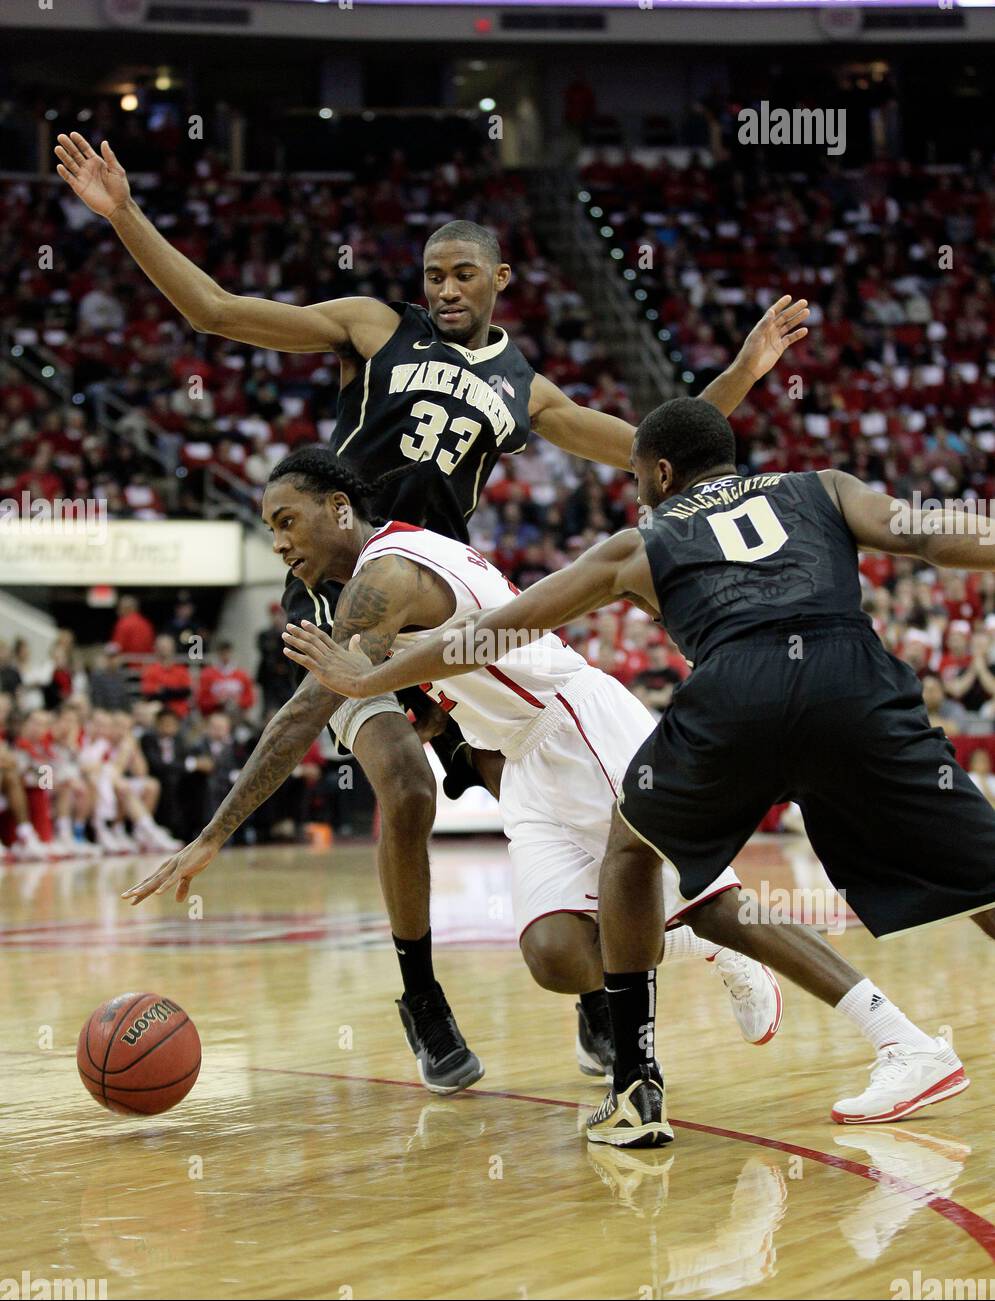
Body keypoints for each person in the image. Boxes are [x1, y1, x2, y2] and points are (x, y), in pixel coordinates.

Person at [60, 129, 807, 1092]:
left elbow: (659, 453)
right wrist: (125, 214)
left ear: (499, 277)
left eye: (461, 274)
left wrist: (742, 372)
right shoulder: (373, 327)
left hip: (445, 597)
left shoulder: (522, 385)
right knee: (405, 790)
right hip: (346, 594)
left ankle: (603, 981)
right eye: (431, 275)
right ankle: (420, 994)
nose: (443, 289)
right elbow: (214, 312)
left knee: (528, 781)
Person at [304, 397, 995, 1144]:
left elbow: (492, 632)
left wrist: (373, 678)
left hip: (735, 694)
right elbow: (924, 533)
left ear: (660, 472)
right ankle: (890, 1043)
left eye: (636, 476)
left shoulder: (641, 540)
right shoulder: (821, 485)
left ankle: (636, 1090)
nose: (634, 491)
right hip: (854, 680)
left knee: (631, 853)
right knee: (980, 873)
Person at [126, 452, 785, 1085]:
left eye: (286, 521)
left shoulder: (381, 578)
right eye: (269, 527)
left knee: (708, 903)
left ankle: (876, 1029)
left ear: (340, 507)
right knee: (556, 950)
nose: (277, 542)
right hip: (523, 747)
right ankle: (667, 984)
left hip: (575, 727)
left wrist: (212, 835)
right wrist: (439, 707)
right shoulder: (398, 552)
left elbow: (301, 717)